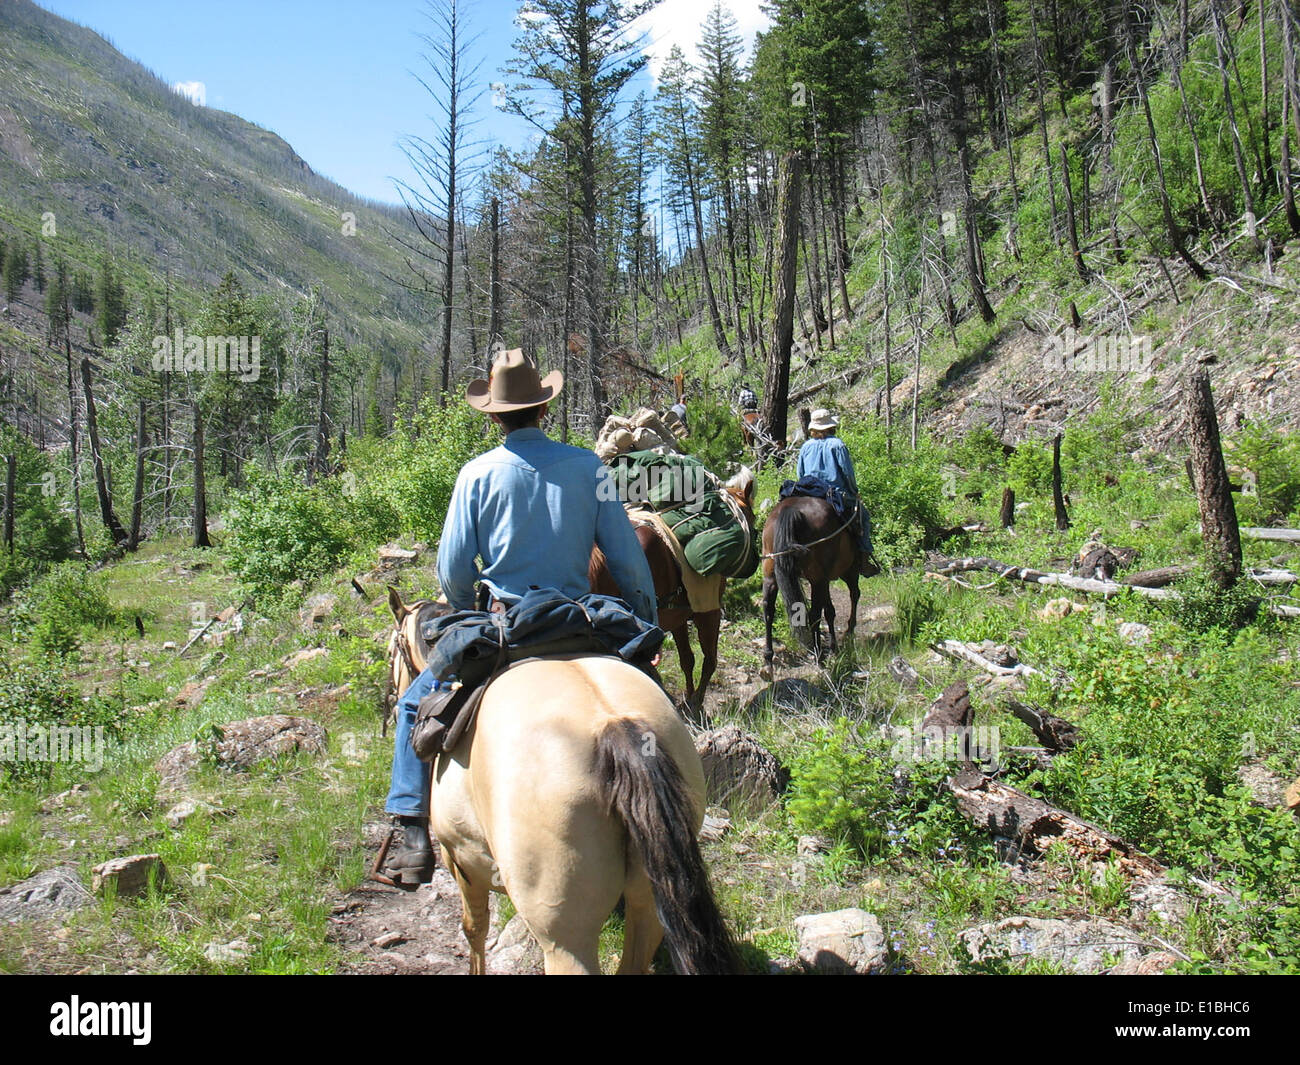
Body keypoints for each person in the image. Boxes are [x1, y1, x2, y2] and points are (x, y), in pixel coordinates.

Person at [383, 349, 658, 886]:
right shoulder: (589, 467)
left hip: (508, 626)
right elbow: (627, 560)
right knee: (649, 701)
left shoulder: (476, 474)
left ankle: (411, 830)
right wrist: (645, 629)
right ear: (544, 411)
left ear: (493, 416)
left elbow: (454, 569)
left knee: (415, 704)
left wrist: (467, 617)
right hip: (583, 620)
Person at [796, 409, 872, 572]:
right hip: (835, 494)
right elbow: (847, 473)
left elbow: (800, 474)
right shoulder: (837, 445)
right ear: (830, 426)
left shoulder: (806, 446)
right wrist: (854, 490)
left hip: (809, 493)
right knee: (864, 517)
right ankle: (864, 561)